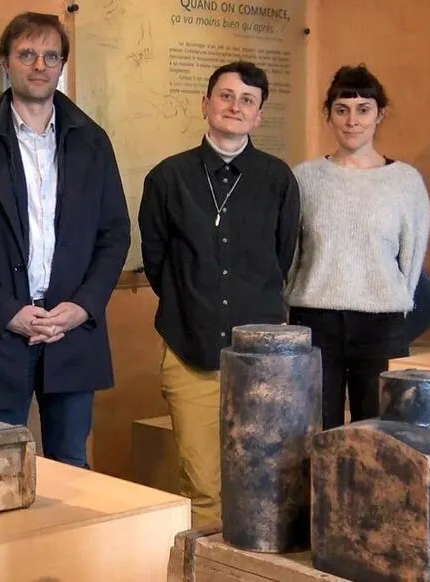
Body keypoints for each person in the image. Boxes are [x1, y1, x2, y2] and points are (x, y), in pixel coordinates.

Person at [0, 12, 130, 469]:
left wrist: (83, 306)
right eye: (27, 54)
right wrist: (10, 312)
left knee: (71, 463)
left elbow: (114, 234)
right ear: (6, 62)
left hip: (72, 328)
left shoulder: (92, 142)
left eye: (50, 56)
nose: (39, 65)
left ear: (62, 65)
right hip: (0, 329)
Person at [138, 61, 300, 526]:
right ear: (205, 103)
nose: (235, 106)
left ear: (259, 115)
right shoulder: (168, 178)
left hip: (261, 358)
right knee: (203, 486)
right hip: (190, 348)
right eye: (226, 96)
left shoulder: (277, 179)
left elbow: (282, 256)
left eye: (247, 100)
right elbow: (157, 261)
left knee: (265, 481)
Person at [286, 65, 430, 430]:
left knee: (380, 431)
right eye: (342, 110)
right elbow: (291, 254)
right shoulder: (304, 178)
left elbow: (412, 257)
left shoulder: (405, 181)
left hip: (382, 323)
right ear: (329, 115)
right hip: (314, 320)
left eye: (363, 109)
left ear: (379, 114)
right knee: (315, 428)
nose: (352, 121)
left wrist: (391, 296)